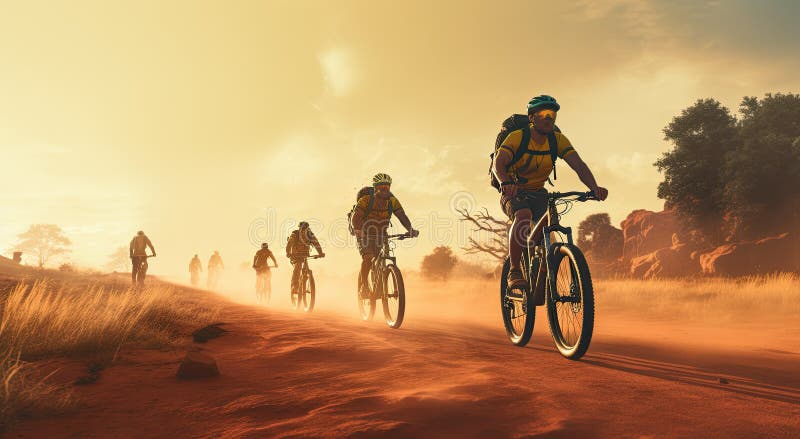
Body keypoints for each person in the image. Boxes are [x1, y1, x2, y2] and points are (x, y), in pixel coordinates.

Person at [492, 95, 608, 289]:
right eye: (543, 113)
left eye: (552, 114)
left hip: (539, 193)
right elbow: (498, 163)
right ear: (532, 117)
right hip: (513, 192)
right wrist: (506, 183)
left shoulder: (557, 140)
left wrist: (594, 188)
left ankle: (545, 269)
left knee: (548, 228)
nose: (548, 118)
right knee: (523, 215)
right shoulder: (518, 137)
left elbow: (578, 165)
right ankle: (514, 270)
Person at [350, 173, 419, 296]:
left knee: (381, 256)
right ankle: (364, 286)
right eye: (381, 187)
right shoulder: (365, 200)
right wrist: (358, 230)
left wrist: (410, 229)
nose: (384, 189)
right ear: (375, 188)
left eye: (387, 187)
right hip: (364, 234)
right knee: (368, 257)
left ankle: (381, 282)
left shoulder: (393, 201)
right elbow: (356, 217)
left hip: (381, 234)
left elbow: (402, 216)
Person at [286, 222, 324, 294]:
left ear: (307, 228)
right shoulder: (295, 234)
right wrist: (288, 253)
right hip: (295, 255)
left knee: (306, 269)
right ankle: (294, 287)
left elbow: (316, 244)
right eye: (302, 228)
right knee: (298, 267)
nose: (303, 230)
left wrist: (320, 253)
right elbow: (289, 244)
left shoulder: (310, 235)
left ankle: (305, 280)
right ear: (299, 228)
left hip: (305, 255)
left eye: (305, 228)